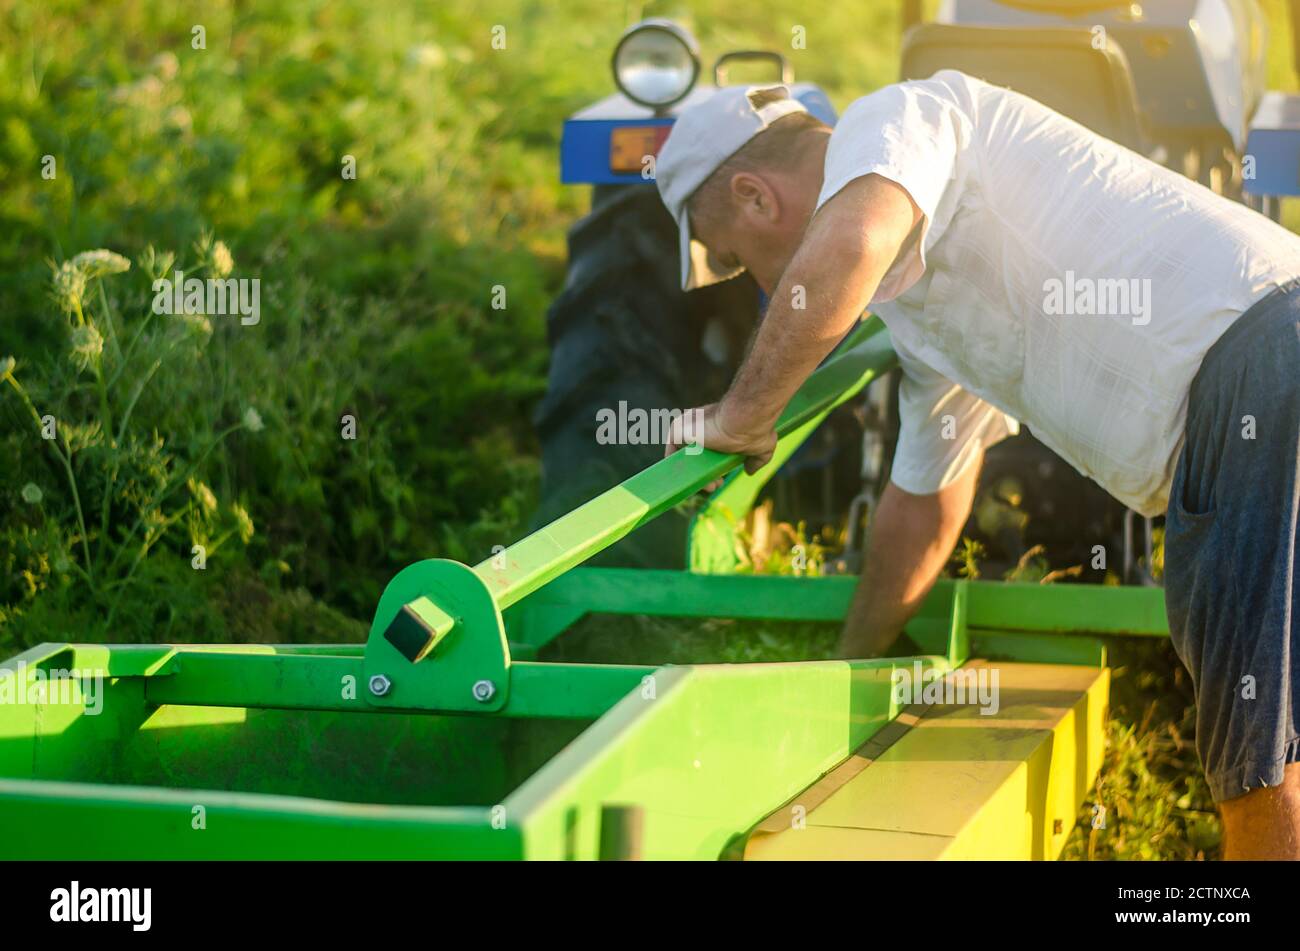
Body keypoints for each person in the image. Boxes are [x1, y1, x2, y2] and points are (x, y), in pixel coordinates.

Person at [656, 73, 1300, 859]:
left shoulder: (900, 117)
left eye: (734, 258)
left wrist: (740, 415)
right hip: (1247, 409)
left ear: (756, 197)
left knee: (1260, 774)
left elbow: (852, 243)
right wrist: (846, 676)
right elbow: (926, 506)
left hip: (1264, 377)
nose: (758, 284)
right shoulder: (924, 316)